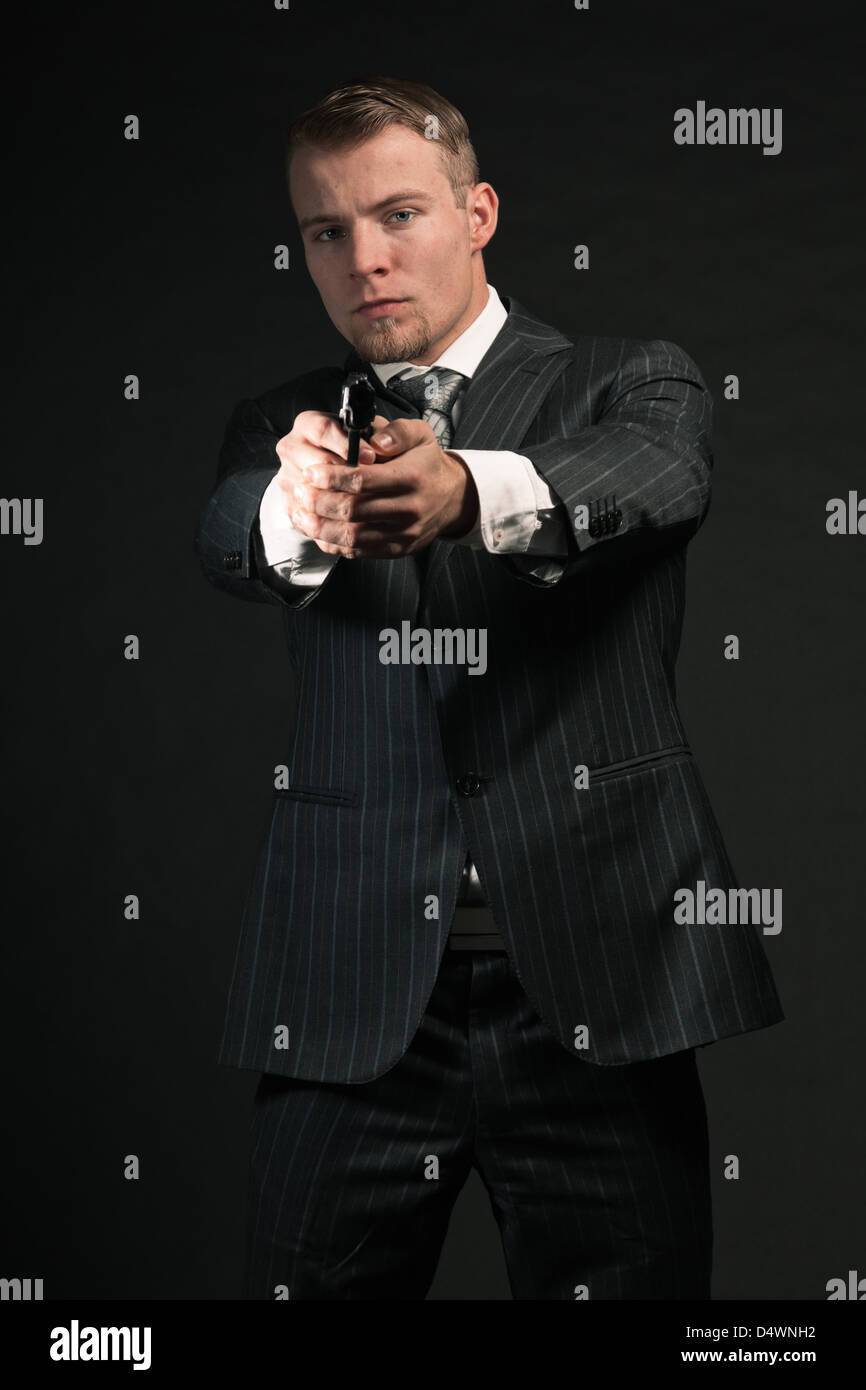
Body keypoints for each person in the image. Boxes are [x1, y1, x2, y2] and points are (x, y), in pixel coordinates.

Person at [194, 76, 784, 1300]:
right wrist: (291, 505)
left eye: (398, 214)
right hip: (349, 998)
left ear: (478, 212)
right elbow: (226, 536)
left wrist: (467, 488)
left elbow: (656, 476)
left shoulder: (632, 380)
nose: (364, 258)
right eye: (325, 231)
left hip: (592, 985)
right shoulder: (280, 421)